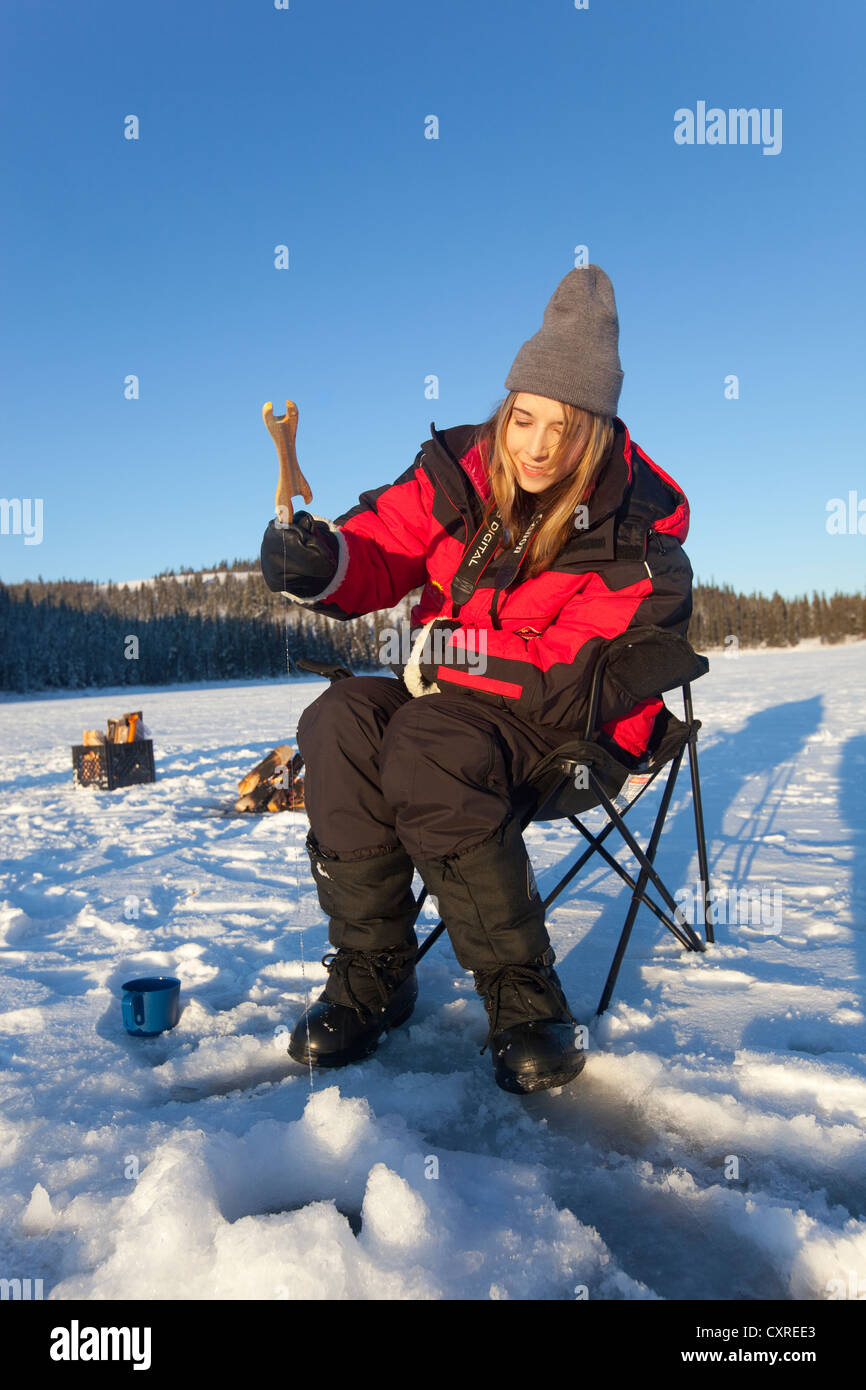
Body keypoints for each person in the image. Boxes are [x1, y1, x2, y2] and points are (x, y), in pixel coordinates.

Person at [260, 265, 694, 1095]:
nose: (533, 446)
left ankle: (522, 994)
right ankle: (373, 971)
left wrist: (457, 657)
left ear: (598, 433)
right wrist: (322, 562)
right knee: (341, 719)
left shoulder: (636, 533)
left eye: (562, 428)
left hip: (569, 729)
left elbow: (581, 675)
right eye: (523, 417)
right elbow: (383, 543)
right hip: (445, 705)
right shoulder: (463, 469)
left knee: (426, 739)